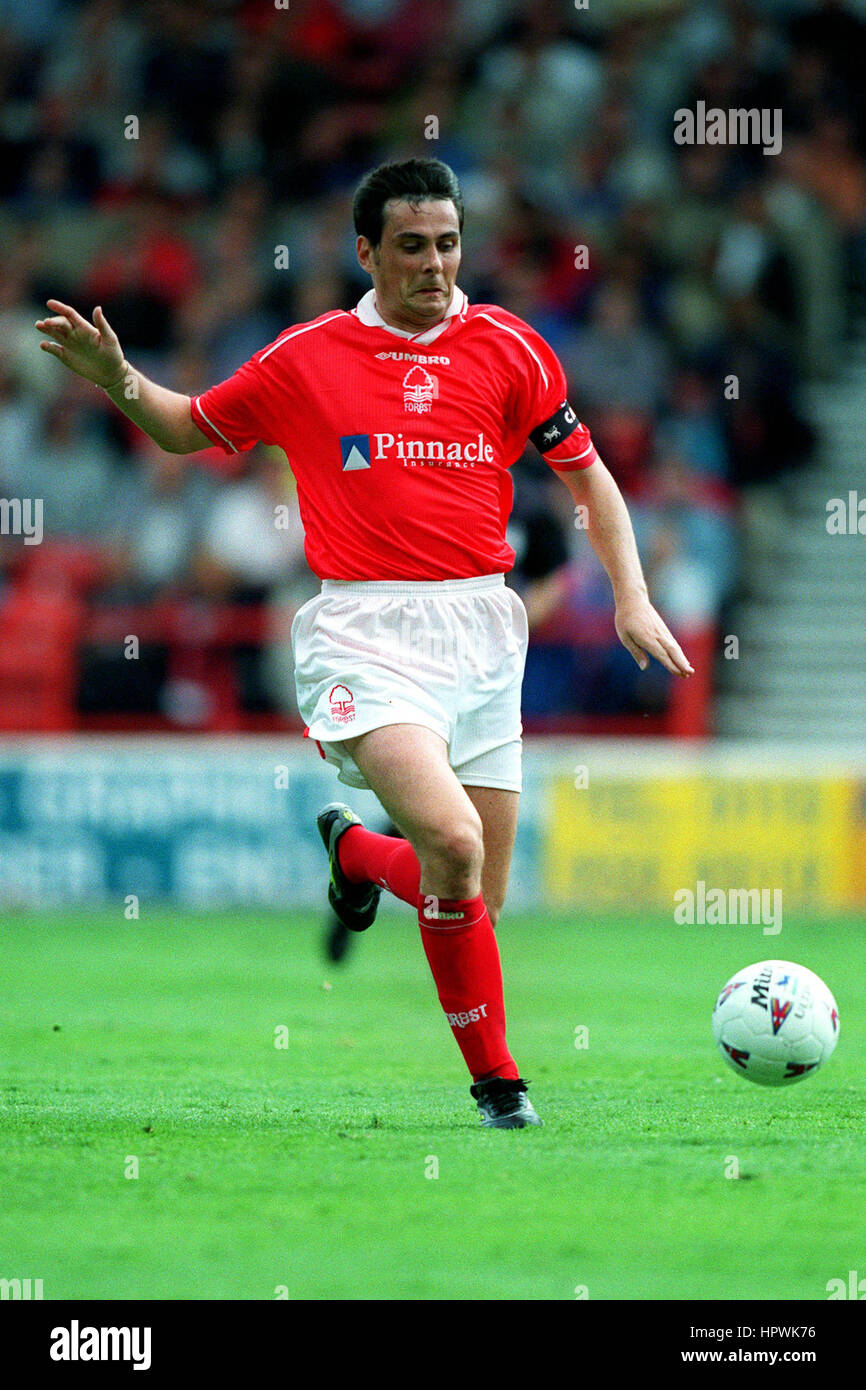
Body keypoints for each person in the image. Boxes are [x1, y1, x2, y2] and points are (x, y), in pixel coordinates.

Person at [35, 158, 693, 1129]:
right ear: (366, 252)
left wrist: (631, 597)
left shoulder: (512, 348)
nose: (434, 264)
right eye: (412, 246)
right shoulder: (306, 356)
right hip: (365, 632)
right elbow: (186, 430)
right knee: (455, 846)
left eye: (448, 243)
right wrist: (119, 379)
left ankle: (354, 858)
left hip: (481, 628)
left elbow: (589, 483)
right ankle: (499, 1087)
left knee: (473, 895)